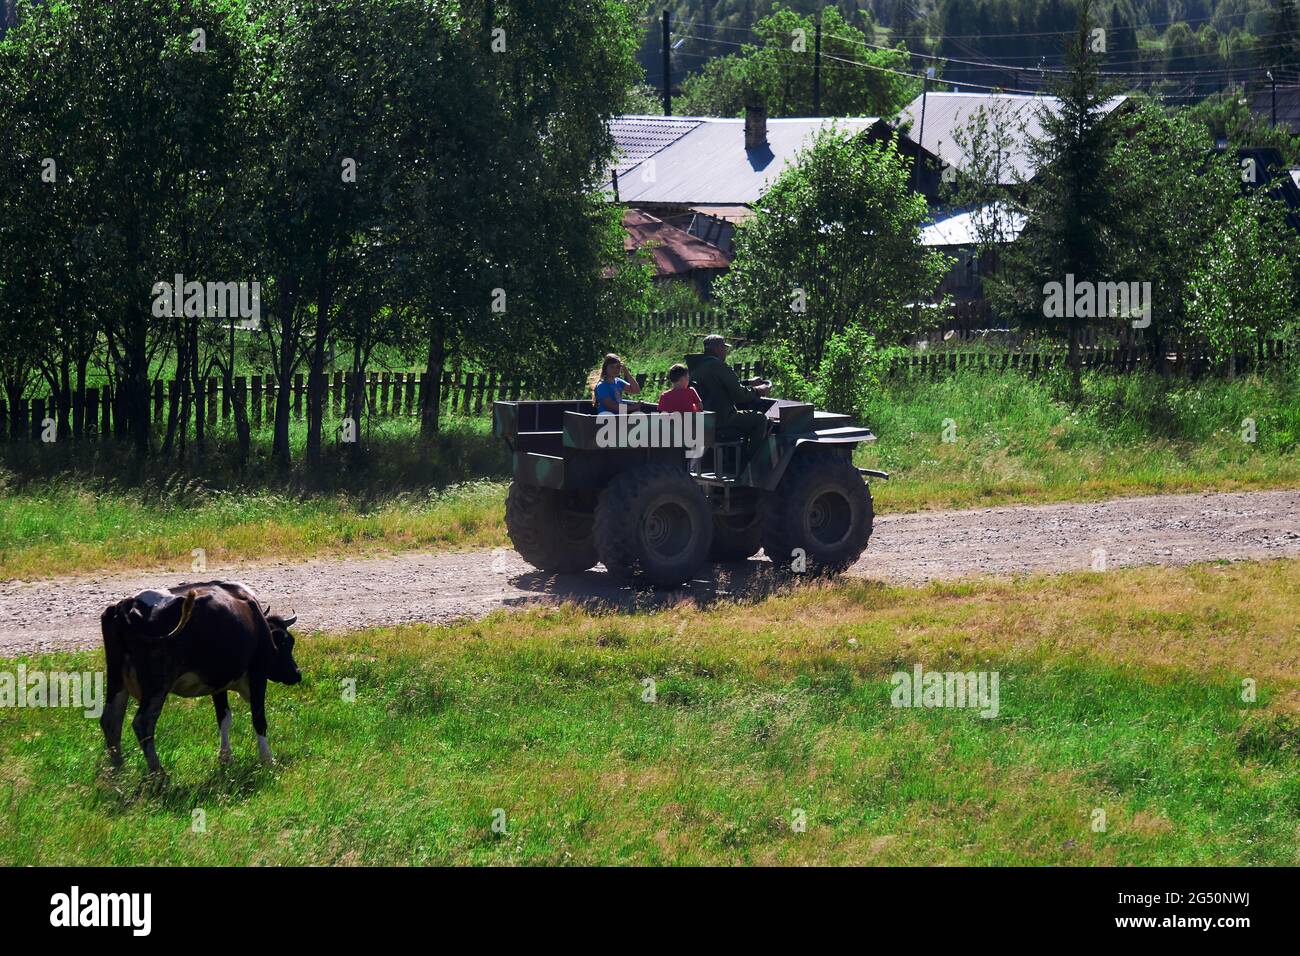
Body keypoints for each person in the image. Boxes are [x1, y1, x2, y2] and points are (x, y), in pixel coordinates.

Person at [688, 333, 770, 460]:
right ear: (717, 349)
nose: (725, 351)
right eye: (724, 348)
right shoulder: (719, 366)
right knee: (760, 419)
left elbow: (719, 387)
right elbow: (740, 395)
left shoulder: (696, 367)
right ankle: (750, 464)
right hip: (722, 418)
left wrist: (748, 383)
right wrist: (758, 391)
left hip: (704, 419)